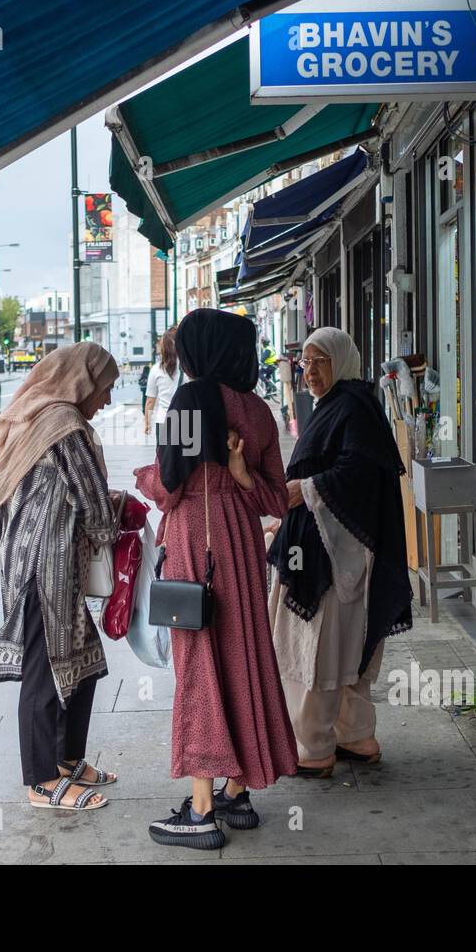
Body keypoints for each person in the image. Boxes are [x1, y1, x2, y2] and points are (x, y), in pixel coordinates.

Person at [134, 308, 298, 850]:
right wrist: (238, 473)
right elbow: (277, 499)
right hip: (242, 542)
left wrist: (144, 477)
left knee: (200, 662)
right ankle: (236, 790)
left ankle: (201, 810)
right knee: (243, 651)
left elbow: (170, 483)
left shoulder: (190, 398)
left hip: (195, 543)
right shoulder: (257, 410)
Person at [266, 327, 413, 778]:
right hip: (337, 548)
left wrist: (304, 490)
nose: (309, 371)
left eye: (319, 362)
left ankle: (313, 748)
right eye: (305, 363)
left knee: (317, 650)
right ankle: (356, 737)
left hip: (333, 556)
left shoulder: (350, 406)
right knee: (350, 648)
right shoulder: (348, 403)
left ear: (341, 362)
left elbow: (360, 473)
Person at [0, 342, 122, 812]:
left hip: (37, 561)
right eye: (104, 389)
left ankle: (67, 760)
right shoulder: (63, 424)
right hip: (46, 567)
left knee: (80, 663)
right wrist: (116, 520)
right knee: (45, 674)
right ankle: (42, 780)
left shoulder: (33, 413)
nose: (104, 401)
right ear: (82, 380)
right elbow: (93, 504)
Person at [142, 327, 182, 438]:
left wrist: (147, 423)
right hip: (189, 419)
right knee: (190, 454)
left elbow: (150, 401)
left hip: (164, 420)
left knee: (164, 455)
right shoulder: (191, 368)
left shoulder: (156, 369)